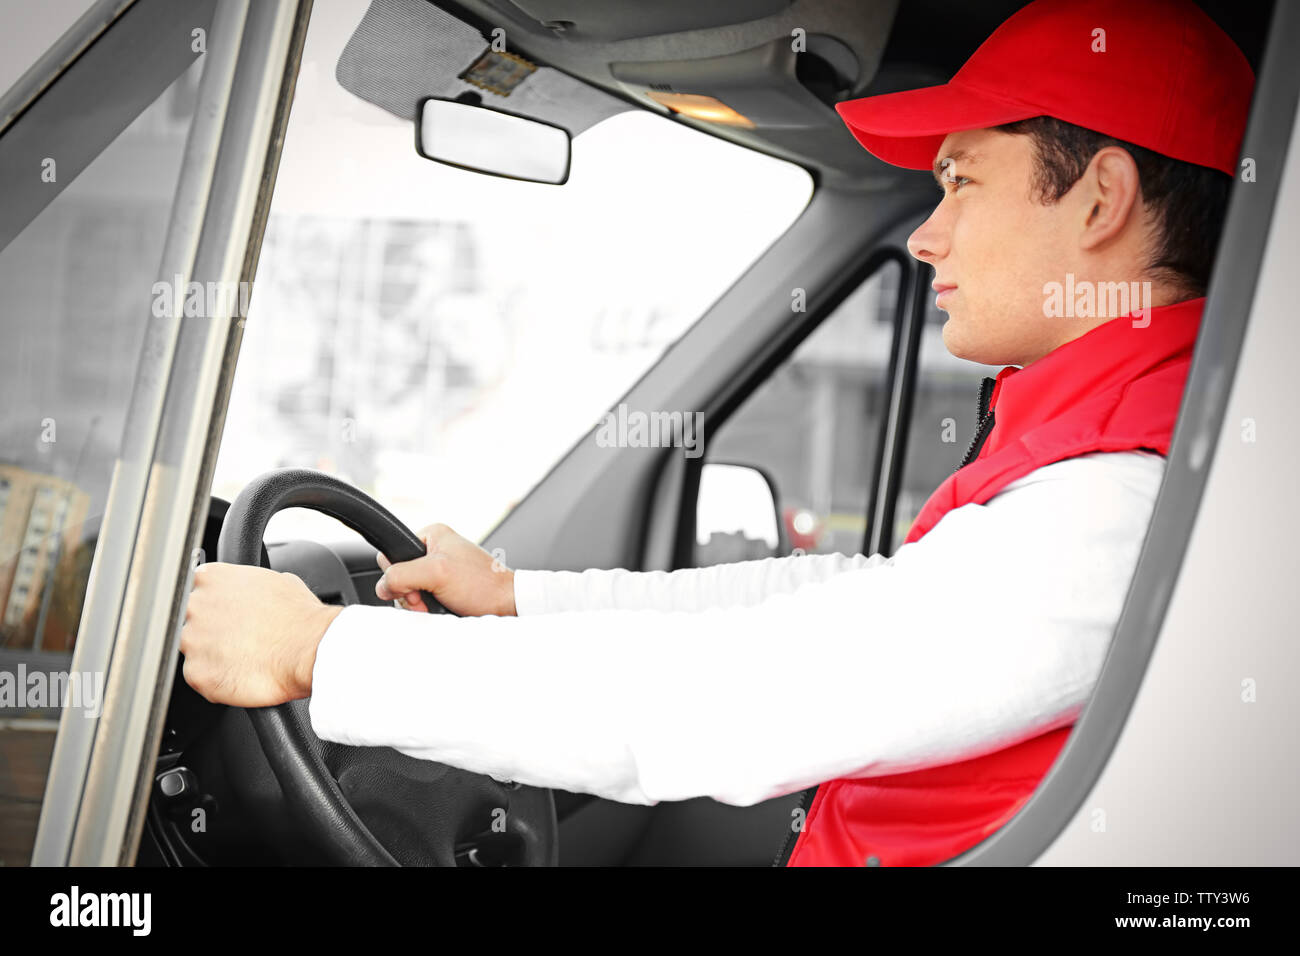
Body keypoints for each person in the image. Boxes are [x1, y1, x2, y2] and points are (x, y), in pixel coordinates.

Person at [181, 0, 1253, 865]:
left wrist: (326, 651)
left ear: (1101, 198)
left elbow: (738, 699)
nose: (927, 235)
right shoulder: (1104, 456)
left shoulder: (1116, 506)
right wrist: (522, 596)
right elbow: (842, 602)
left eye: (963, 179)